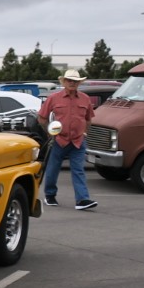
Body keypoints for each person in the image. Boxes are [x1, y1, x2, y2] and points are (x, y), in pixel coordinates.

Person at [37, 69, 97, 210]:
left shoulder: (85, 98)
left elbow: (88, 119)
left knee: (79, 170)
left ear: (79, 83)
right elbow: (41, 118)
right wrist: (50, 132)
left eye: (75, 81)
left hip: (78, 141)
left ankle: (82, 200)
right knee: (53, 169)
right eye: (69, 80)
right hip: (59, 140)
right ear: (64, 82)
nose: (72, 83)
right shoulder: (54, 98)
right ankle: (50, 195)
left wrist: (84, 134)